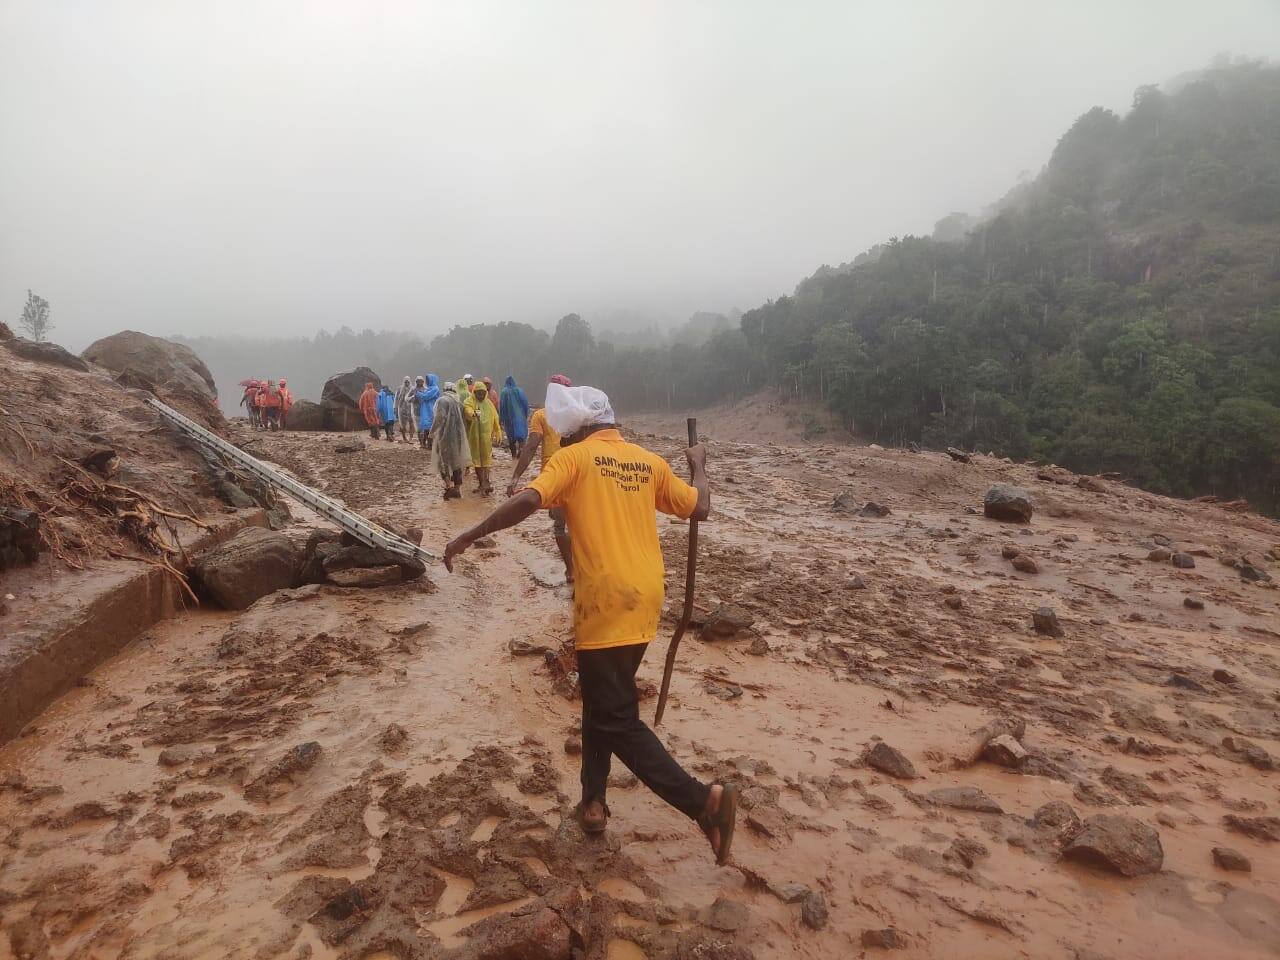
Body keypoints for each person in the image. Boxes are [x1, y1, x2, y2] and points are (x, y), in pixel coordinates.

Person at [442, 383, 736, 863]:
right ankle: (593, 801)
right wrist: (699, 464)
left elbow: (526, 502)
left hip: (602, 601)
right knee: (603, 701)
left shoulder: (573, 460)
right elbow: (700, 505)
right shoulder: (648, 461)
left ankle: (704, 802)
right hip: (645, 600)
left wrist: (469, 535)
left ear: (576, 428)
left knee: (616, 718)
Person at [508, 373, 574, 582]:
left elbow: (531, 447)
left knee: (560, 526)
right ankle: (584, 567)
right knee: (581, 524)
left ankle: (571, 570)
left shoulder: (542, 415)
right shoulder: (577, 414)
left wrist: (516, 477)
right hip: (579, 475)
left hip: (554, 478)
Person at [431, 381, 470, 499]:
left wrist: (432, 431)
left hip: (444, 437)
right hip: (458, 437)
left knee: (443, 461)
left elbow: (439, 418)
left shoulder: (443, 401)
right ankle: (457, 488)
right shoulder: (459, 402)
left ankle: (448, 486)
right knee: (456, 461)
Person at [464, 378, 500, 494]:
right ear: (474, 392)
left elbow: (495, 417)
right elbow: (467, 410)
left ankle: (486, 482)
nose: (481, 395)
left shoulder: (488, 403)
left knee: (486, 460)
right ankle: (481, 483)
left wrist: (498, 431)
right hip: (474, 437)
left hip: (486, 438)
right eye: (478, 393)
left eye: (483, 393)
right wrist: (473, 414)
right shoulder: (469, 401)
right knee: (477, 461)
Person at [499, 375, 530, 457]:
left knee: (511, 439)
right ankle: (521, 451)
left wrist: (501, 419)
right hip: (520, 418)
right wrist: (525, 416)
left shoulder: (503, 392)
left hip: (508, 419)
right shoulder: (520, 391)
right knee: (522, 437)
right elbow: (525, 404)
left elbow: (501, 406)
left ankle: (513, 457)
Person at [415, 374, 440, 450]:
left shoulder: (435, 389)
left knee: (430, 427)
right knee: (426, 427)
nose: (427, 381)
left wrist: (418, 393)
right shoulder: (429, 388)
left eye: (428, 379)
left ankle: (429, 444)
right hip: (425, 410)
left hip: (431, 410)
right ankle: (424, 443)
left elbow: (426, 396)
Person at [395, 376, 417, 443]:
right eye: (405, 382)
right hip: (402, 408)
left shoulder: (413, 389)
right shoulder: (399, 389)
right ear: (403, 382)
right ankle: (404, 437)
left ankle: (410, 438)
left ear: (410, 381)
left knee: (411, 423)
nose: (406, 383)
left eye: (408, 382)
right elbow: (396, 399)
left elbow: (416, 398)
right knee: (402, 424)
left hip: (411, 408)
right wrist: (395, 408)